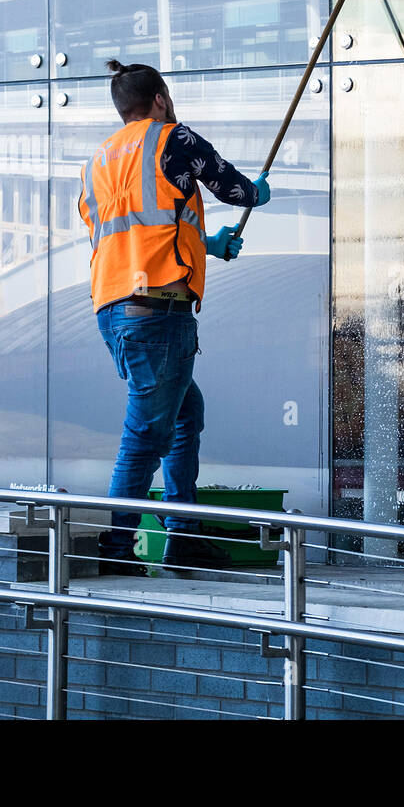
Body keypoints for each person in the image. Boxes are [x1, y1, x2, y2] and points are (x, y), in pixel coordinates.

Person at [82, 59, 269, 574]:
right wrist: (257, 192)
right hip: (158, 314)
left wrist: (205, 244)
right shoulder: (171, 139)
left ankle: (182, 535)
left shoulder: (98, 161)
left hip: (115, 309)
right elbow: (232, 188)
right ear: (160, 98)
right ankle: (117, 550)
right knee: (145, 434)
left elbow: (134, 234)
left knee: (185, 415)